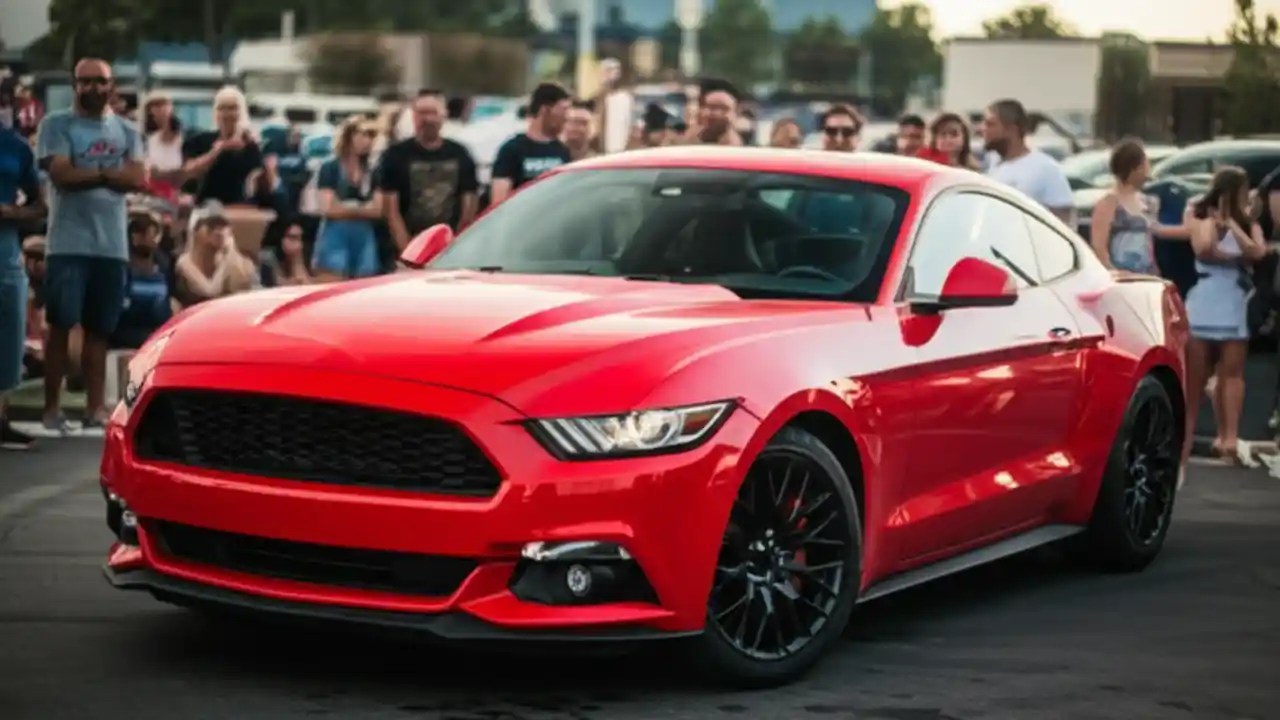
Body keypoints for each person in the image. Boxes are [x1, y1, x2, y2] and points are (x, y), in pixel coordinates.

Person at [34, 57, 146, 433]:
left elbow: (137, 177)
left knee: (100, 329)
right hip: (67, 244)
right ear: (74, 85)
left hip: (111, 246)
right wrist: (108, 174)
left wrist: (97, 173)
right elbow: (62, 175)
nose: (93, 88)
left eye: (101, 81)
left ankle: (95, 407)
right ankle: (52, 408)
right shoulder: (56, 124)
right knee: (60, 327)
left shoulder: (128, 131)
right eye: (86, 82)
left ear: (111, 85)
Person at [1184, 166, 1270, 464]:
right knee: (1195, 377)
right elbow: (1203, 247)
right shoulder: (1199, 216)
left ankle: (1229, 437)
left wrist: (1232, 225)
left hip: (1234, 303)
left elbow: (1257, 252)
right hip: (1205, 301)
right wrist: (1217, 224)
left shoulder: (1248, 223)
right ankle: (1185, 434)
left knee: (1232, 372)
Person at [375, 90, 479, 251]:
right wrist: (407, 251)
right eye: (422, 112)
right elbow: (391, 211)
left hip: (450, 247)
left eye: (433, 112)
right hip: (405, 248)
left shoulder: (460, 154)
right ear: (413, 115)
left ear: (444, 115)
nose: (428, 118)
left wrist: (455, 246)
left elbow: (469, 205)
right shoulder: (395, 155)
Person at [1, 123, 46, 448]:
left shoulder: (15, 146)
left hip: (5, 246)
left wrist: (12, 211)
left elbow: (39, 204)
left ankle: (1, 418)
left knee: (9, 332)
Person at [1089, 139, 1188, 274]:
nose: (1148, 171)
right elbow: (1099, 247)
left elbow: (1151, 239)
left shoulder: (1148, 202)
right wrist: (1113, 272)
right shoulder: (1109, 203)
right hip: (1120, 277)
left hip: (1146, 275)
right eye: (1145, 164)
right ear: (1134, 168)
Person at [312, 117, 383, 282]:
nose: (367, 141)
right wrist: (363, 209)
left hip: (364, 236)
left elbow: (378, 210)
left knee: (364, 283)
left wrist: (344, 208)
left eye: (371, 136)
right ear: (348, 136)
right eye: (363, 134)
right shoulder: (330, 167)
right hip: (335, 235)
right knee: (330, 282)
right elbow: (328, 208)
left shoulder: (373, 171)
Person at [982, 99, 1074, 223]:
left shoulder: (1046, 168)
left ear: (1012, 130)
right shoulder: (993, 164)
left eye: (990, 124)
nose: (983, 129)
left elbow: (1065, 222)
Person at [181, 85, 273, 207]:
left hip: (240, 208)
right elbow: (188, 171)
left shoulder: (250, 145)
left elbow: (263, 188)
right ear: (215, 112)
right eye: (221, 108)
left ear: (241, 112)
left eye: (232, 108)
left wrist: (268, 166)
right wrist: (218, 150)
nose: (227, 114)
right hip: (206, 206)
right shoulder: (200, 140)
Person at [489, 83, 572, 206]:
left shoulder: (562, 151)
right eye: (563, 110)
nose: (566, 117)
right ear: (545, 110)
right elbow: (498, 202)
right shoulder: (511, 150)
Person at [172, 202, 257, 309]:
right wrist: (227, 257)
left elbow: (245, 290)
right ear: (196, 231)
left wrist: (232, 253)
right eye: (211, 227)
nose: (218, 232)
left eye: (222, 226)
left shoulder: (236, 261)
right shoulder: (184, 262)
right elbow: (211, 292)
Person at [110, 209, 172, 350]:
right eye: (150, 235)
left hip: (158, 329)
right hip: (127, 330)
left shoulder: (163, 264)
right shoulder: (121, 267)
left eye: (156, 235)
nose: (154, 240)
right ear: (135, 237)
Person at [141, 94, 184, 202]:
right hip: (155, 196)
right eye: (155, 107)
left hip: (179, 196)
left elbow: (183, 173)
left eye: (162, 105)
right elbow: (149, 173)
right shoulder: (150, 141)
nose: (159, 110)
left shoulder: (183, 140)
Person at [681, 79, 743, 146]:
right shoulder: (685, 141)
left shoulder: (736, 149)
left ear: (736, 112)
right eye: (711, 107)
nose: (716, 113)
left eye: (723, 108)